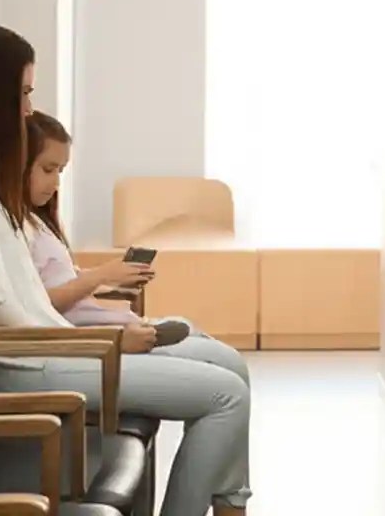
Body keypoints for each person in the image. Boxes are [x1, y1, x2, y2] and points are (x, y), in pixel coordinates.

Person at [0, 23, 251, 516]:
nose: (27, 110)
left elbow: (19, 302)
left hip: (43, 355)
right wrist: (99, 344)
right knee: (226, 395)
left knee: (228, 381)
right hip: (18, 369)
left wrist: (98, 341)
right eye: (21, 93)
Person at [24, 110, 248, 377]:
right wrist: (100, 275)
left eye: (60, 171)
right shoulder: (14, 229)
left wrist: (112, 280)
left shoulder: (38, 224)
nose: (56, 183)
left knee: (217, 352)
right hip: (98, 339)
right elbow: (35, 304)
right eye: (48, 169)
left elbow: (56, 280)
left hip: (108, 329)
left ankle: (153, 330)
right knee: (227, 375)